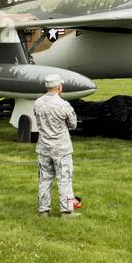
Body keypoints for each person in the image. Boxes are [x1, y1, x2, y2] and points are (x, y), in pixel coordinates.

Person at [34, 74, 79, 217]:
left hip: (43, 148)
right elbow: (73, 124)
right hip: (61, 148)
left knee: (44, 179)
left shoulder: (38, 103)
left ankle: (43, 210)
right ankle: (66, 211)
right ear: (59, 87)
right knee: (64, 179)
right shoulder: (63, 105)